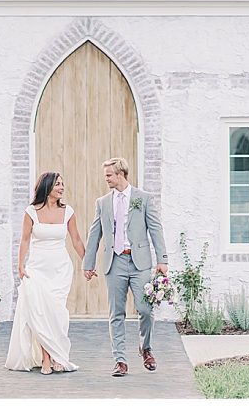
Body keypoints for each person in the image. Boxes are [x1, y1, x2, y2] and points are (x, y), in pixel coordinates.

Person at [83, 157, 169, 377]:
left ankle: (145, 347)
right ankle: (120, 360)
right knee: (116, 313)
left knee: (146, 310)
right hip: (114, 262)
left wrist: (163, 260)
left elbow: (156, 229)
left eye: (109, 175)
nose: (106, 179)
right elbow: (95, 234)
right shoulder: (102, 202)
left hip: (139, 262)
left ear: (120, 174)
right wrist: (88, 264)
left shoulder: (144, 198)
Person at [5, 171, 86, 374]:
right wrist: (20, 265)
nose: (61, 187)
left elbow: (76, 240)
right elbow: (24, 240)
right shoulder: (31, 212)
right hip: (37, 268)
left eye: (62, 184)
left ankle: (58, 356)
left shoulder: (68, 212)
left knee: (57, 314)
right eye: (57, 184)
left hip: (60, 269)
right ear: (47, 187)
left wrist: (88, 263)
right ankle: (46, 359)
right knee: (40, 313)